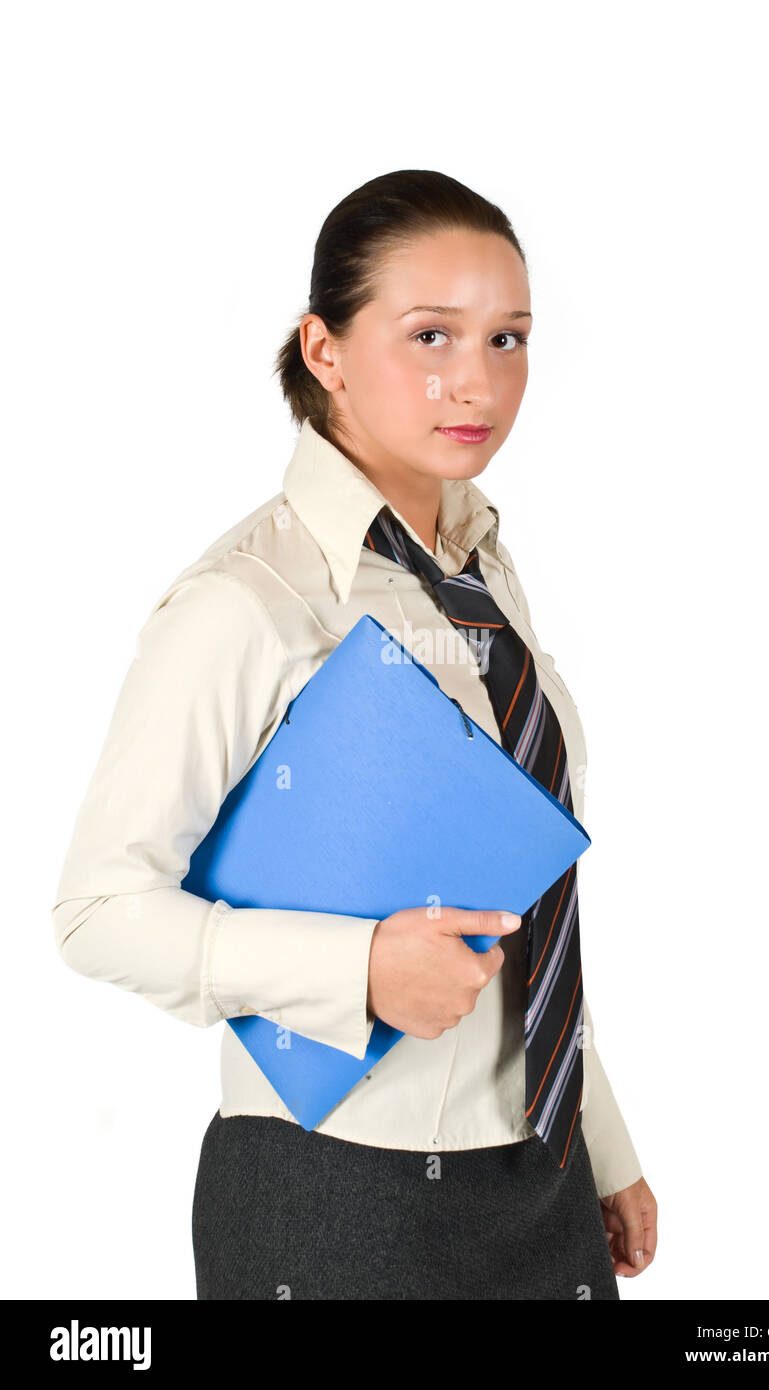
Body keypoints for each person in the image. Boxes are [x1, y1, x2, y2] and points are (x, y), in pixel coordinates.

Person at [51, 168, 658, 1300]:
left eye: (508, 338)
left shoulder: (480, 571)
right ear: (322, 350)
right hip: (336, 1193)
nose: (476, 380)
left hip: (539, 1177)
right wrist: (358, 968)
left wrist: (600, 1138)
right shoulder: (250, 601)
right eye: (431, 334)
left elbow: (516, 895)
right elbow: (96, 912)